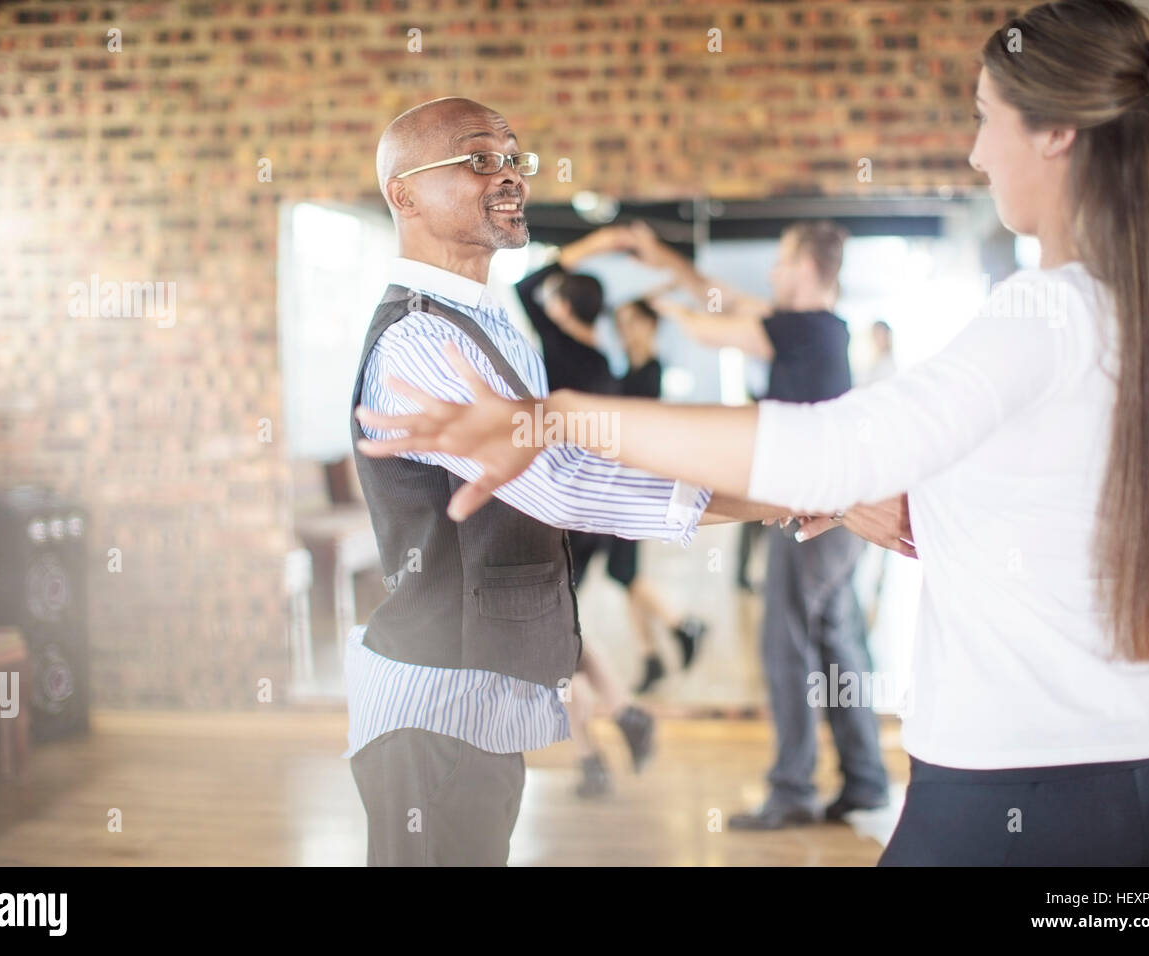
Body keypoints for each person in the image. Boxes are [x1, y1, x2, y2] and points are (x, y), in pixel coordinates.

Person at [357, 0, 1149, 866]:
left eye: (986, 119)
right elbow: (964, 480)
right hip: (1104, 787)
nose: (974, 151)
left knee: (803, 645)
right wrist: (862, 497)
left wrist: (560, 418)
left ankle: (805, 782)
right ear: (403, 193)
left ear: (1057, 136)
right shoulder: (1126, 312)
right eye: (478, 160)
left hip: (1029, 798)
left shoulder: (1043, 312)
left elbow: (836, 447)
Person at [347, 96, 791, 865]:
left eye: (515, 158)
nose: (511, 175)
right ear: (404, 194)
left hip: (479, 696)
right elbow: (562, 486)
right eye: (480, 159)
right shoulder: (420, 337)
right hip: (433, 706)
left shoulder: (492, 323)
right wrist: (787, 493)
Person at [643, 221, 892, 827]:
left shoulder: (797, 328)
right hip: (839, 516)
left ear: (806, 269)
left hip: (808, 512)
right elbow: (722, 297)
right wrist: (669, 265)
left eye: (782, 262)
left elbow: (709, 325)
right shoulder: (825, 328)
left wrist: (663, 310)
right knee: (835, 641)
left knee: (786, 645)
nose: (775, 273)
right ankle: (864, 779)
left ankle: (793, 790)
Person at [514, 232, 709, 697]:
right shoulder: (605, 366)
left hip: (588, 501)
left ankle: (609, 682)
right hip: (604, 498)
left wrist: (599, 242)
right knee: (609, 583)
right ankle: (648, 659)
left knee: (567, 599)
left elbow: (526, 286)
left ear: (562, 307)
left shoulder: (571, 352)